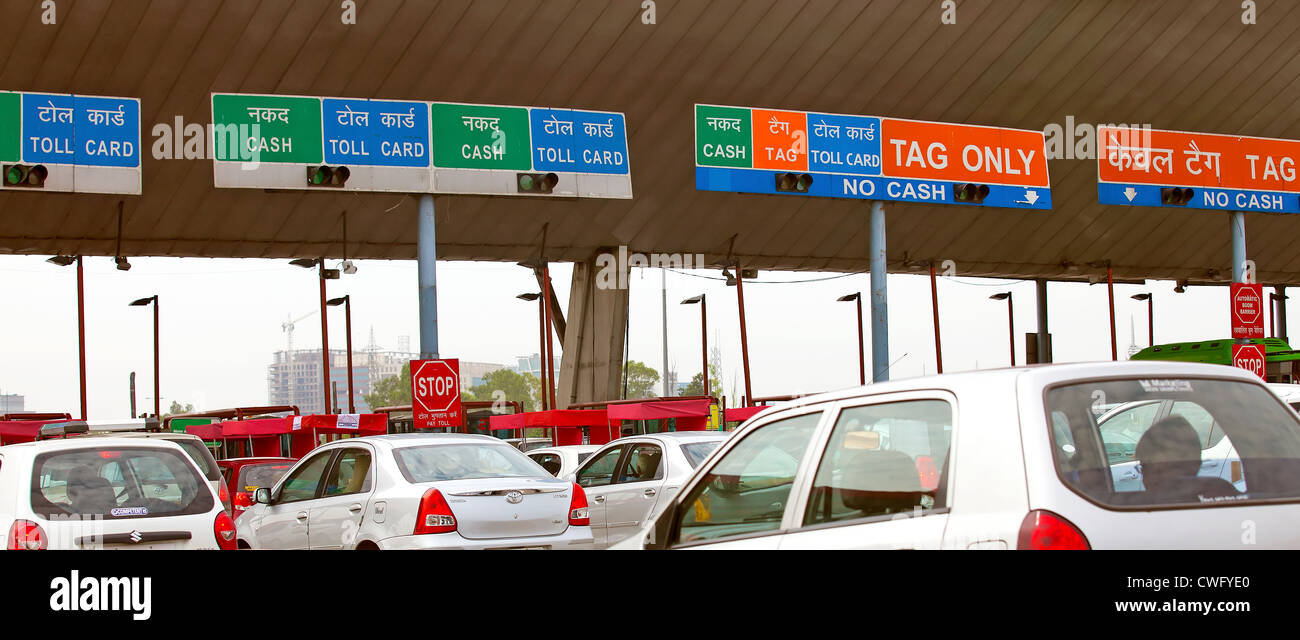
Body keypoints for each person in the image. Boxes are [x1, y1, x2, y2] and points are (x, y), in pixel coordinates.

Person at [1135, 415, 1238, 501]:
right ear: (1197, 464)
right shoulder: (1227, 499)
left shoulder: (1134, 511)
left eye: (1145, 467)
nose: (1144, 477)